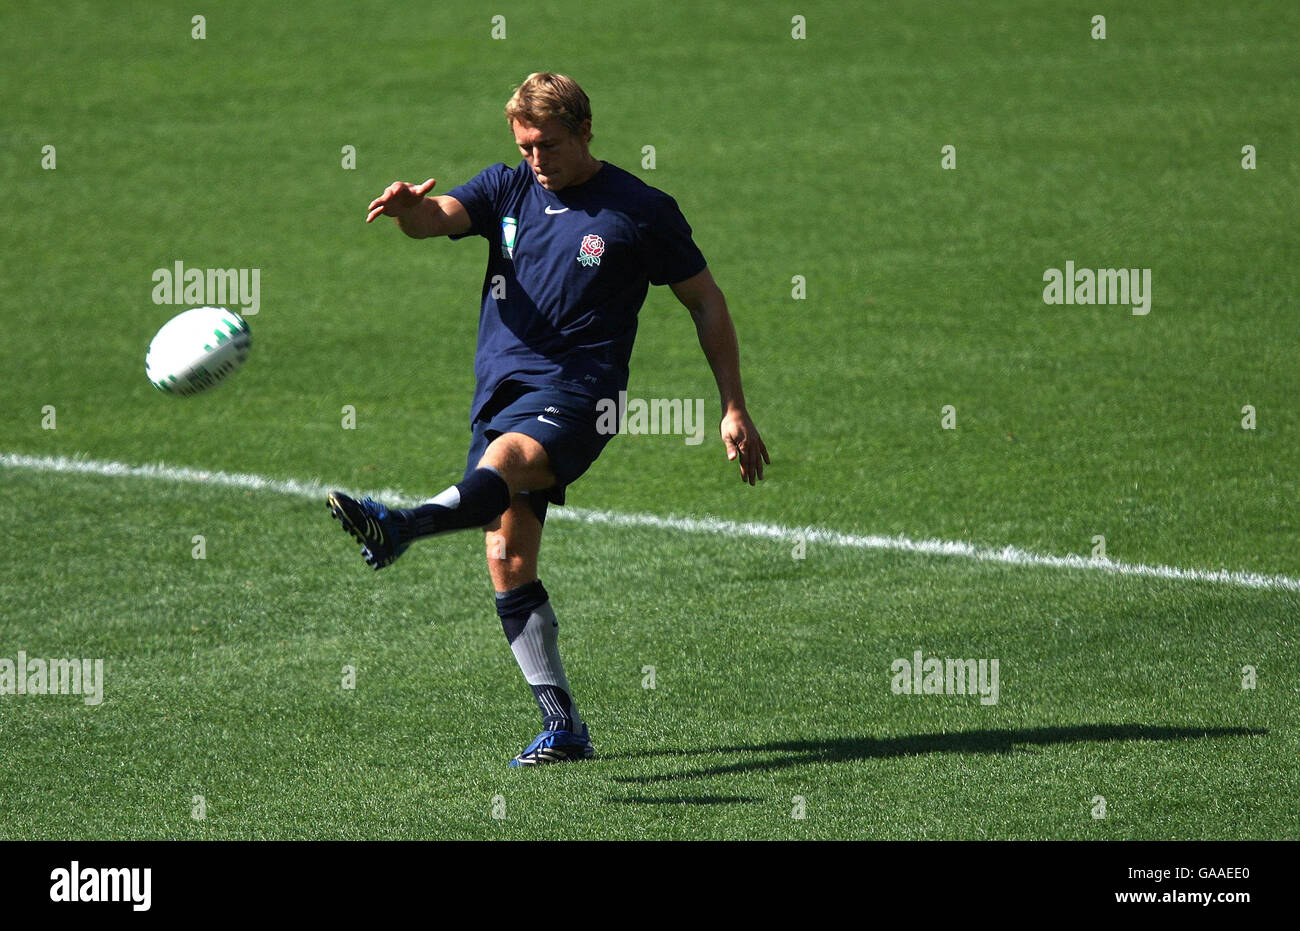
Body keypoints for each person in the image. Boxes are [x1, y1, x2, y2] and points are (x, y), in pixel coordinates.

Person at [328, 72, 768, 766]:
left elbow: (705, 301)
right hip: (501, 393)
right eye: (526, 145)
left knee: (500, 466)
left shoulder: (640, 210)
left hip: (581, 393)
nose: (538, 159)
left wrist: (732, 404)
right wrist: (410, 208)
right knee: (507, 557)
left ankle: (403, 524)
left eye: (550, 145)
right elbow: (437, 218)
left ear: (585, 131)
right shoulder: (506, 188)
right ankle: (563, 727)